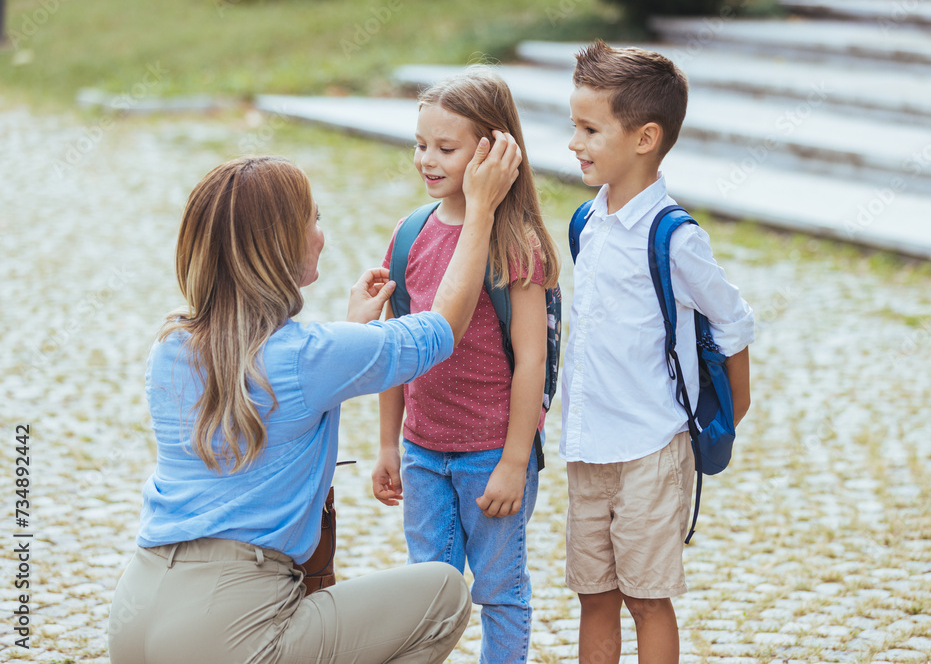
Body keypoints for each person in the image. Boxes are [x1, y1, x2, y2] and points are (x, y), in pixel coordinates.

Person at [107, 135, 522, 664]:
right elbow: (441, 331)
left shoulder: (170, 347)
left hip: (138, 611)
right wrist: (481, 209)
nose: (321, 235)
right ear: (280, 244)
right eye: (314, 219)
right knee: (442, 593)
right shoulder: (310, 356)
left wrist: (352, 334)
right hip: (230, 625)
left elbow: (272, 393)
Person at [561, 40, 755, 664]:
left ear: (644, 138)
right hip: (588, 445)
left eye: (590, 129)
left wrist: (728, 413)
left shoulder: (674, 236)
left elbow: (732, 321)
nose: (575, 142)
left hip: (651, 447)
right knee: (594, 595)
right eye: (575, 127)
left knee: (647, 599)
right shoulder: (585, 225)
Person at [371, 67, 560, 664]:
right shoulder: (409, 234)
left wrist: (514, 461)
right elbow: (396, 349)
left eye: (445, 149)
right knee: (426, 593)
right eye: (421, 145)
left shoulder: (516, 244)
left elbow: (531, 362)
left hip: (489, 456)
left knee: (500, 591)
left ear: (494, 151)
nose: (427, 159)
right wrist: (388, 446)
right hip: (423, 452)